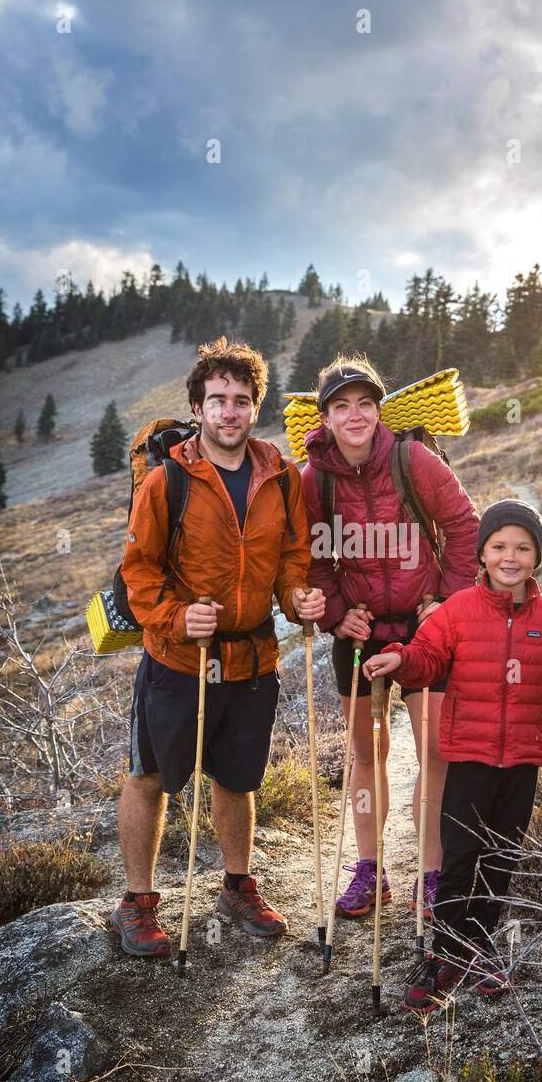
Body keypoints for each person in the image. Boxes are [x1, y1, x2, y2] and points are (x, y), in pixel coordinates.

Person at [110, 338, 325, 957]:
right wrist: (178, 618)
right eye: (217, 401)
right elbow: (139, 571)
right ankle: (138, 901)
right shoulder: (166, 480)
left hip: (252, 660)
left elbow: (291, 556)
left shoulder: (280, 475)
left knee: (236, 776)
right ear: (198, 408)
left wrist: (296, 600)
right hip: (177, 660)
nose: (229, 412)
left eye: (241, 400)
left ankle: (237, 885)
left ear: (255, 406)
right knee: (151, 775)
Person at [363, 499, 542, 1013]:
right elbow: (426, 659)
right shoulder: (458, 611)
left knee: (500, 857)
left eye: (522, 548)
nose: (509, 557)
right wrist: (397, 658)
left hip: (523, 759)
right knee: (461, 856)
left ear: (536, 557)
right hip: (468, 755)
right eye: (499, 547)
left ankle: (482, 945)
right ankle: (444, 952)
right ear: (483, 553)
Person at [301, 355, 479, 921]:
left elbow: (464, 526)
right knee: (366, 753)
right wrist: (333, 614)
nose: (355, 415)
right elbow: (308, 555)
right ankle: (370, 872)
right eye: (341, 406)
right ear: (325, 417)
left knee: (434, 752)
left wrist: (445, 602)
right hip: (359, 636)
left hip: (425, 633)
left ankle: (431, 873)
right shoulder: (313, 479)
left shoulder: (411, 457)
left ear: (379, 409)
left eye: (364, 403)